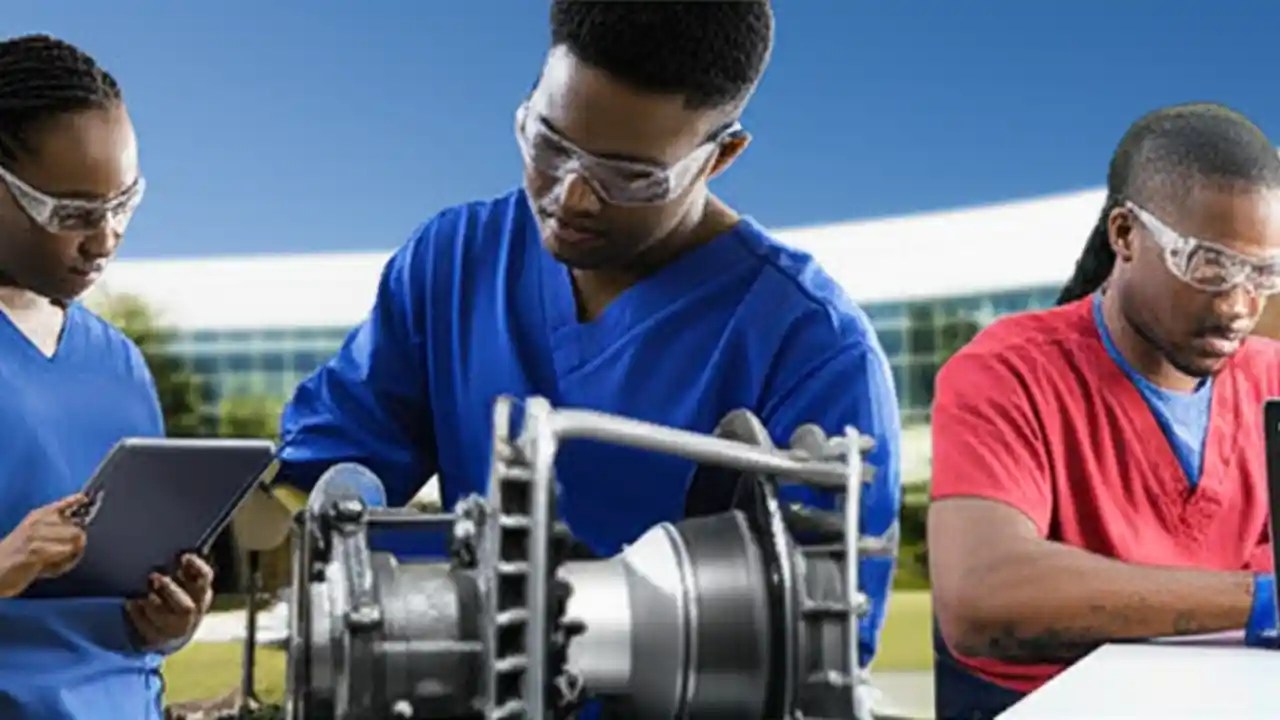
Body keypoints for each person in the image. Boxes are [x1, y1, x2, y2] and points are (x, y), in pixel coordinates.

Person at [274, 0, 901, 701]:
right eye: (548, 144)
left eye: (630, 177)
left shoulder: (812, 347)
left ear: (720, 156)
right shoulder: (451, 263)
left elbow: (818, 655)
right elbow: (321, 474)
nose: (572, 196)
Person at [928, 101, 1280, 720]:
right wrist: (1259, 600)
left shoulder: (1269, 378)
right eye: (1208, 265)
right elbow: (982, 594)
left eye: (1263, 273)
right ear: (1124, 234)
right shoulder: (1006, 371)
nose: (1237, 305)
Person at [0, 34, 214, 719]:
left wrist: (167, 624)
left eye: (123, 204)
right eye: (72, 215)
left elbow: (117, 617)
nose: (106, 238)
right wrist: (8, 563)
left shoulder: (117, 362)